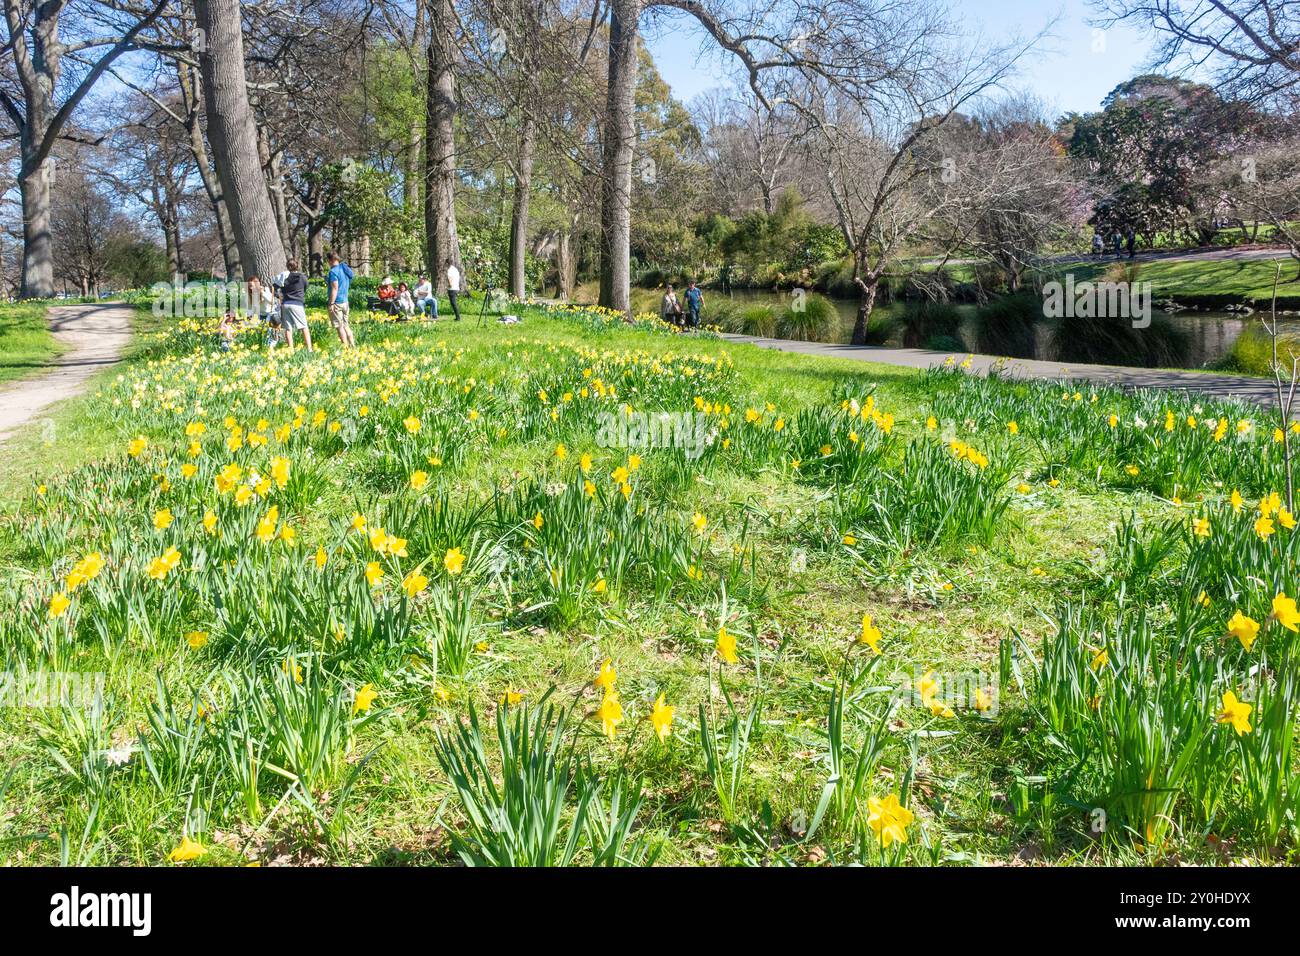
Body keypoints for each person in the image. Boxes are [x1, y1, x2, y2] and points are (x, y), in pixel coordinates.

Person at [276, 258, 312, 351]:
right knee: (304, 327)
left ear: (288, 267)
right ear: (297, 266)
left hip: (286, 304)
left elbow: (275, 287)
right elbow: (306, 287)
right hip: (297, 304)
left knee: (288, 329)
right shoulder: (302, 277)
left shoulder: (284, 277)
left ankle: (290, 349)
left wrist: (279, 297)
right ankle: (309, 349)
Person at [326, 251, 355, 349]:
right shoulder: (344, 269)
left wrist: (331, 303)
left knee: (339, 327)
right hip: (345, 301)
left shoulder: (333, 272)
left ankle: (345, 348)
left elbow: (335, 288)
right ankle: (352, 345)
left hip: (337, 302)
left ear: (330, 260)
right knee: (346, 325)